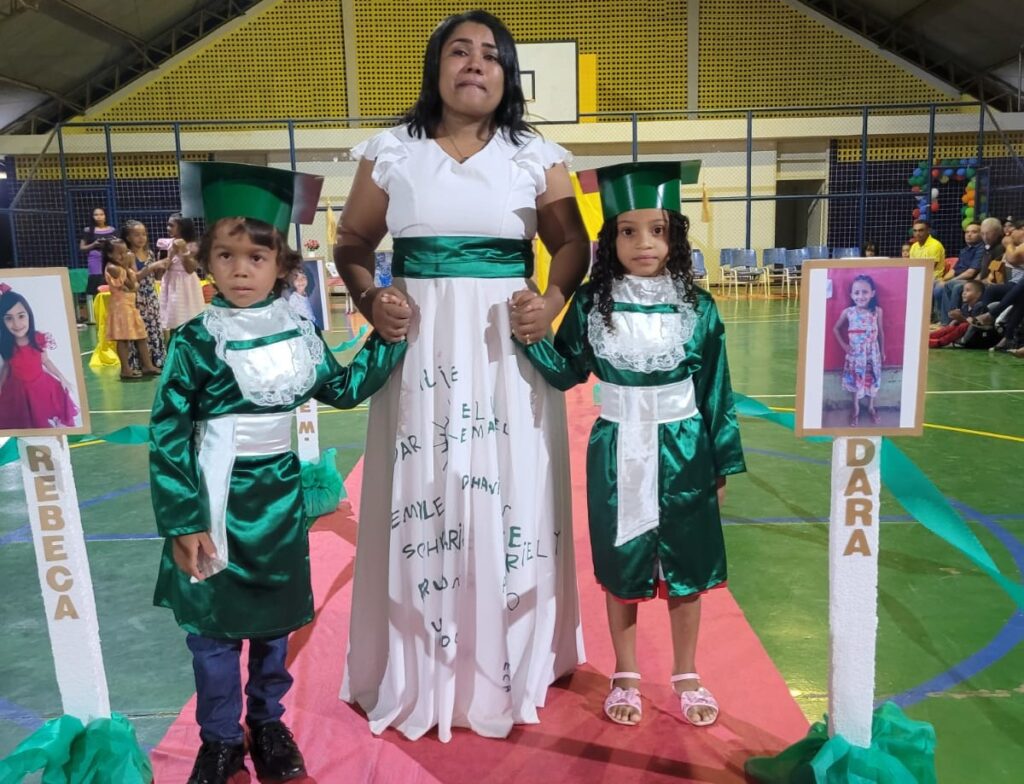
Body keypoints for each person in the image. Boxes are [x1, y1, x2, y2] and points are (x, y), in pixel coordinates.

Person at [335, 9, 589, 742]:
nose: (474, 64)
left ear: (508, 75)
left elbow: (571, 241)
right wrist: (369, 298)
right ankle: (419, 664)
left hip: (506, 351)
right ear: (436, 65)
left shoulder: (534, 153)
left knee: (509, 488)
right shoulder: (392, 151)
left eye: (490, 55)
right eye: (459, 51)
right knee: (428, 488)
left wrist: (550, 302)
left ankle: (513, 657)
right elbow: (353, 240)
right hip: (422, 350)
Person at [149, 162, 406, 784]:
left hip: (278, 500)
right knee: (212, 634)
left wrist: (387, 337)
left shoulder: (299, 330)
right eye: (227, 255)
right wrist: (185, 521)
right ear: (207, 260)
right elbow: (168, 435)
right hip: (215, 502)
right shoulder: (195, 342)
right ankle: (218, 739)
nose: (241, 269)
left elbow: (343, 389)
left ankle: (266, 723)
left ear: (280, 264)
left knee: (272, 628)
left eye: (257, 257)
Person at [515, 162, 745, 728]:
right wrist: (530, 335)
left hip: (685, 448)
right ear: (609, 237)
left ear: (675, 237)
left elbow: (717, 389)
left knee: (686, 569)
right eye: (628, 231)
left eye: (658, 230)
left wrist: (720, 465)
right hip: (617, 448)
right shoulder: (595, 305)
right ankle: (626, 670)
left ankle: (687, 671)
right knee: (623, 564)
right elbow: (567, 370)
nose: (644, 243)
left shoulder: (700, 307)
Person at [0, 284, 80, 429]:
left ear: (29, 315)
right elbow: (6, 366)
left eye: (21, 316)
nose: (17, 324)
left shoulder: (38, 339)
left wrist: (62, 377)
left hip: (40, 386)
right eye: (9, 318)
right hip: (17, 391)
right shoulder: (6, 344)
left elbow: (46, 361)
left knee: (41, 418)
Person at [103, 239, 160, 380]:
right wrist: (127, 264)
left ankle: (147, 365)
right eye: (120, 253)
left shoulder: (123, 267)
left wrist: (129, 267)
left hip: (130, 306)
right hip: (121, 308)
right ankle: (125, 370)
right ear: (110, 255)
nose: (124, 256)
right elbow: (131, 285)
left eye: (125, 252)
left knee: (141, 335)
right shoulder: (113, 268)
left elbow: (134, 281)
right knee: (123, 339)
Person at [833, 274, 885, 426]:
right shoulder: (848, 312)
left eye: (864, 292)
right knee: (857, 381)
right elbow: (835, 329)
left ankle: (871, 407)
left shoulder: (877, 312)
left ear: (872, 293)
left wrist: (883, 351)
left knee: (872, 379)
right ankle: (855, 408)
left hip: (873, 353)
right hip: (856, 354)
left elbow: (881, 332)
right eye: (856, 293)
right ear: (851, 295)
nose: (860, 296)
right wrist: (844, 346)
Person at [122, 220, 167, 370]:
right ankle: (141, 362)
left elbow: (156, 277)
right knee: (141, 330)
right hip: (137, 298)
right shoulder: (128, 255)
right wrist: (151, 267)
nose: (141, 238)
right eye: (136, 235)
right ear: (128, 237)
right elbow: (134, 277)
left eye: (144, 234)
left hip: (151, 296)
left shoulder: (150, 254)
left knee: (154, 327)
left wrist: (162, 266)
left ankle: (157, 359)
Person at [157, 213, 206, 334]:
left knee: (190, 319)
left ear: (182, 227)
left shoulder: (193, 246)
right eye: (168, 225)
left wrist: (183, 250)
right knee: (172, 319)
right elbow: (161, 271)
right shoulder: (166, 244)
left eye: (171, 225)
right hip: (170, 282)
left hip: (186, 284)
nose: (168, 228)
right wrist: (171, 253)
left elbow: (190, 269)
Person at [936, 222, 983, 325]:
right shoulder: (964, 250)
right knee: (937, 284)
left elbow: (971, 273)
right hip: (961, 278)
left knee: (952, 285)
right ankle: (941, 319)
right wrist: (943, 279)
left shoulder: (980, 249)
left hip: (972, 280)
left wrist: (951, 280)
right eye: (967, 232)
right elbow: (954, 270)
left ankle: (950, 321)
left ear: (981, 234)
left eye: (974, 232)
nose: (969, 234)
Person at [79, 207, 118, 313]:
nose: (99, 217)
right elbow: (82, 248)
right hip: (95, 259)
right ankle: (94, 312)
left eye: (101, 214)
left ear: (105, 216)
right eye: (96, 215)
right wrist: (94, 244)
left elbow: (119, 245)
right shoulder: (88, 231)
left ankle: (111, 310)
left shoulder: (112, 230)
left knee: (110, 281)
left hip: (110, 259)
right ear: (92, 217)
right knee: (96, 282)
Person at [929, 279, 985, 348]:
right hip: (964, 331)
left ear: (978, 294)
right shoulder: (965, 306)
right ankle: (929, 336)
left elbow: (972, 326)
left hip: (977, 336)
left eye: (968, 290)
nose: (964, 293)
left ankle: (939, 342)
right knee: (952, 326)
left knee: (963, 326)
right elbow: (964, 320)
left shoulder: (979, 305)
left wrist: (960, 317)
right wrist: (955, 320)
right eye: (963, 291)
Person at [909, 220, 946, 320]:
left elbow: (930, 268)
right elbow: (912, 266)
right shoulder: (914, 247)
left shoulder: (935, 245)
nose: (917, 233)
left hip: (934, 278)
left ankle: (932, 317)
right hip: (919, 277)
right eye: (915, 231)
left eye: (921, 230)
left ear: (928, 231)